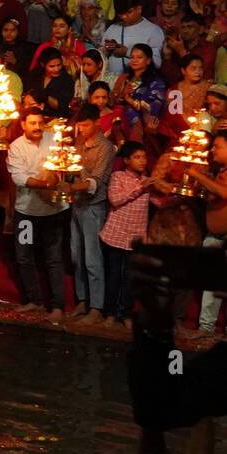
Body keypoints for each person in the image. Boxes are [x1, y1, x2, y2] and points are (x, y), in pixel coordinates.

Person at [8, 107, 70, 319]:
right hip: (27, 212)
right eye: (32, 123)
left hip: (53, 211)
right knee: (24, 256)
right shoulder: (16, 147)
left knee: (53, 258)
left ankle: (57, 306)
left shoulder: (54, 139)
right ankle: (33, 300)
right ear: (23, 124)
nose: (37, 127)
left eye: (39, 123)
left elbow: (64, 164)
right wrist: (45, 183)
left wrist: (54, 177)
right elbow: (19, 178)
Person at [67, 105, 116, 321]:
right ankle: (82, 300)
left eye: (86, 125)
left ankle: (96, 307)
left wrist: (71, 187)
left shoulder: (105, 147)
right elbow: (71, 168)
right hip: (77, 204)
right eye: (80, 125)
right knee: (77, 255)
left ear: (97, 123)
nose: (83, 129)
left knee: (92, 258)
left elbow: (96, 181)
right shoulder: (78, 143)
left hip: (94, 206)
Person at [98, 140, 153, 329]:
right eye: (137, 157)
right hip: (115, 234)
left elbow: (159, 202)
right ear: (127, 160)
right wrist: (140, 187)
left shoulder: (148, 180)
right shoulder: (118, 176)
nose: (142, 161)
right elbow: (115, 199)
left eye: (144, 157)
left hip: (135, 238)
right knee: (113, 276)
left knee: (130, 278)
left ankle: (127, 314)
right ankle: (110, 313)